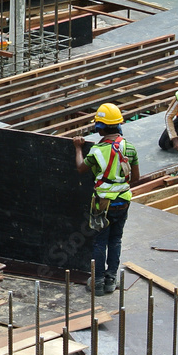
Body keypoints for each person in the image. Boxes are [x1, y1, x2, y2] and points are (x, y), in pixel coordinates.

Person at [73, 103, 140, 296]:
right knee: (116, 240)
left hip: (102, 204)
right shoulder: (129, 148)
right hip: (123, 202)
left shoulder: (96, 151)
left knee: (100, 242)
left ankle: (98, 281)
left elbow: (80, 168)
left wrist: (78, 148)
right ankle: (111, 280)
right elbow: (135, 178)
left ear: (100, 127)